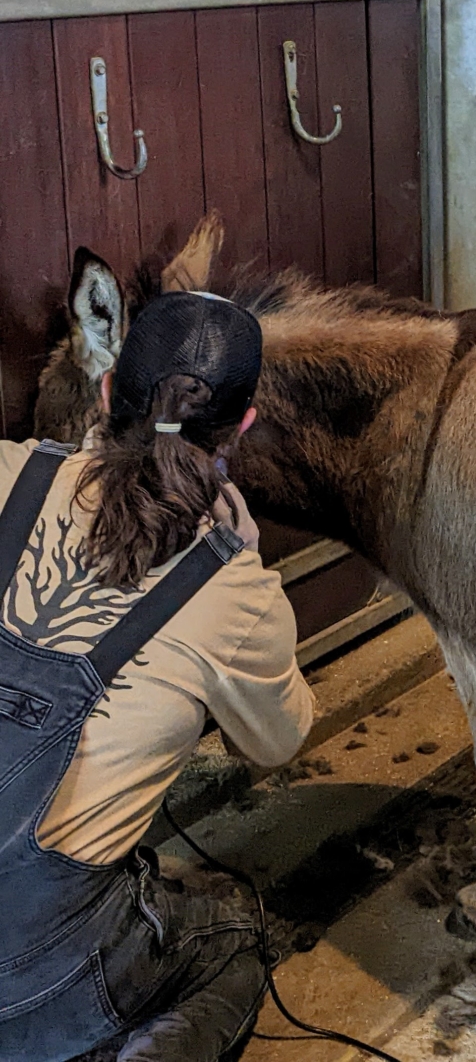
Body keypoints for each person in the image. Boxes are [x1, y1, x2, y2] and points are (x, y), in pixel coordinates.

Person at [0, 291, 312, 1062]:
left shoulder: (9, 472)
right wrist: (243, 568)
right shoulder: (235, 593)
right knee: (235, 937)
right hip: (24, 973)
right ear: (239, 428)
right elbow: (280, 743)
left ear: (108, 391)